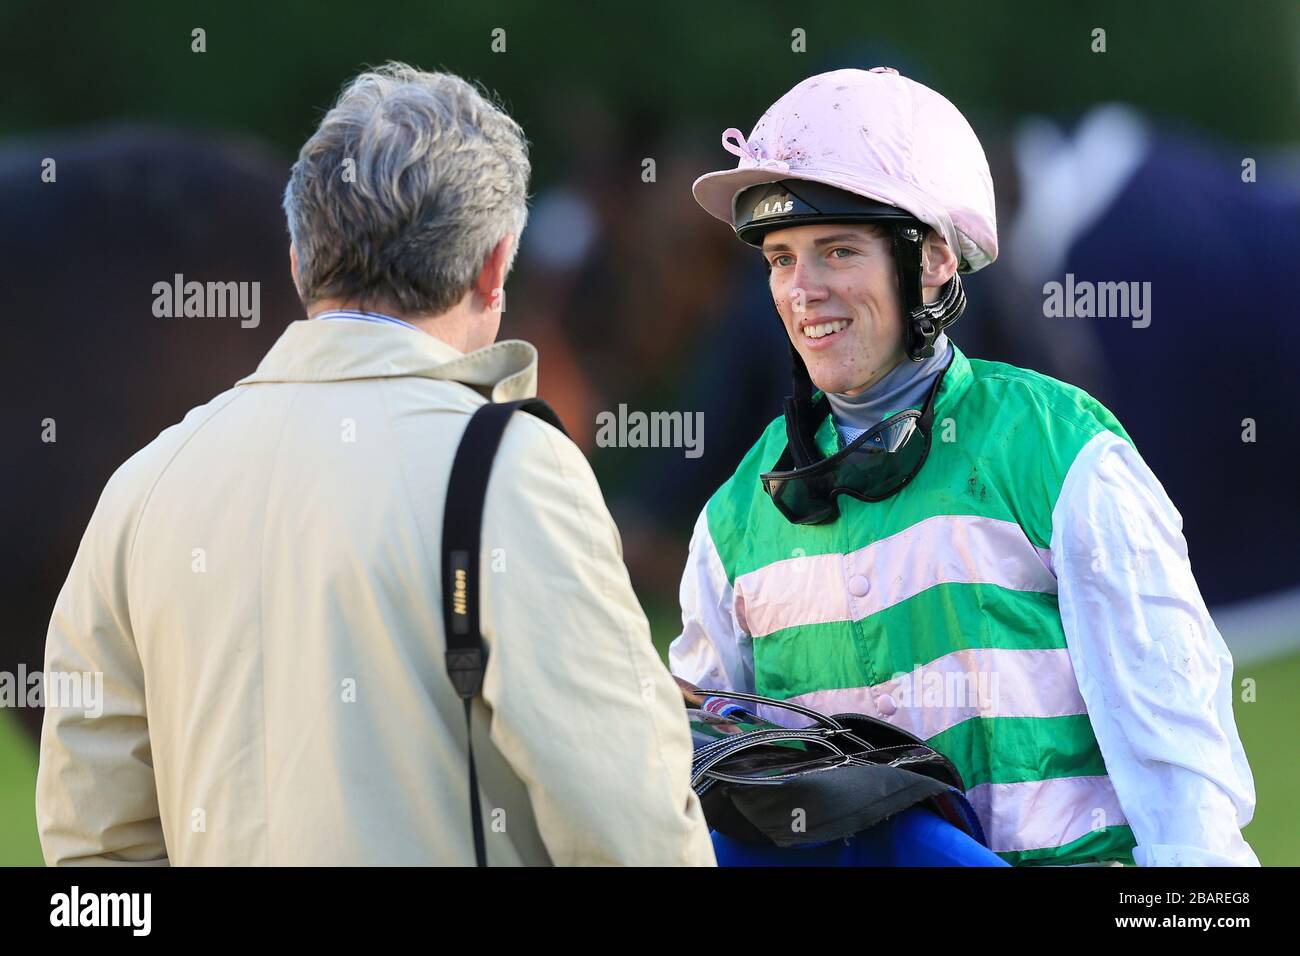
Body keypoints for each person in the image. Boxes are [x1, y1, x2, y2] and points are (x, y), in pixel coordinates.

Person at [36, 62, 715, 866]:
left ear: (297, 258)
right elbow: (629, 829)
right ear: (497, 267)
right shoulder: (516, 469)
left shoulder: (141, 488)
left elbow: (93, 848)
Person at [669, 67, 1259, 866]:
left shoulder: (1059, 450)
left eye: (836, 251)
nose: (802, 291)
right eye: (780, 258)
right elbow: (696, 794)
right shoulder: (733, 521)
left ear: (935, 261)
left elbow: (1183, 775)